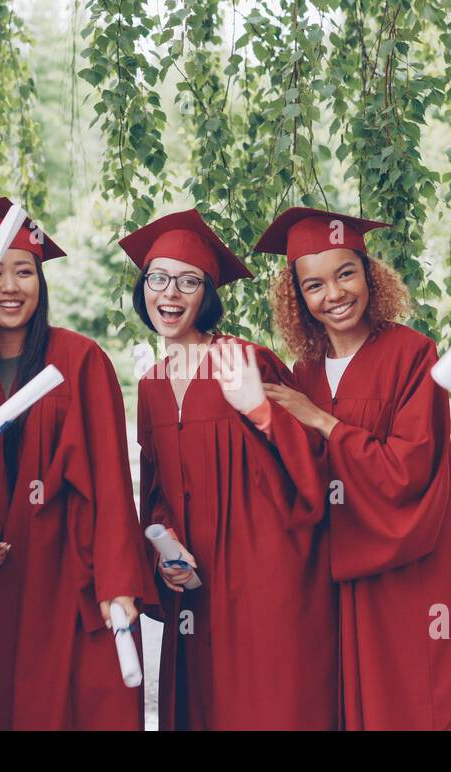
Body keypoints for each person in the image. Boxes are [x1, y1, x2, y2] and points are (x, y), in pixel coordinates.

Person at [256, 207, 451, 730]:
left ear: (369, 274)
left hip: (410, 569)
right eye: (313, 284)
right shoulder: (305, 373)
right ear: (298, 297)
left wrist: (321, 422)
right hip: (338, 574)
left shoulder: (414, 356)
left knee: (418, 701)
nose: (334, 294)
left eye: (345, 273)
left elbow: (408, 470)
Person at [0, 198, 154, 730]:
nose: (10, 287)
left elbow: (110, 480)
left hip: (76, 579)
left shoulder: (81, 360)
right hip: (9, 580)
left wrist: (119, 583)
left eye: (25, 271)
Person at [128, 209, 338, 730]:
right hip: (196, 584)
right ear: (143, 288)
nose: (170, 294)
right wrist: (165, 546)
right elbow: (155, 488)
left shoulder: (247, 360)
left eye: (188, 281)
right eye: (158, 278)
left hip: (267, 577)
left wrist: (260, 410)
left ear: (207, 295)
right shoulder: (150, 385)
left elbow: (314, 462)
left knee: (263, 707)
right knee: (205, 706)